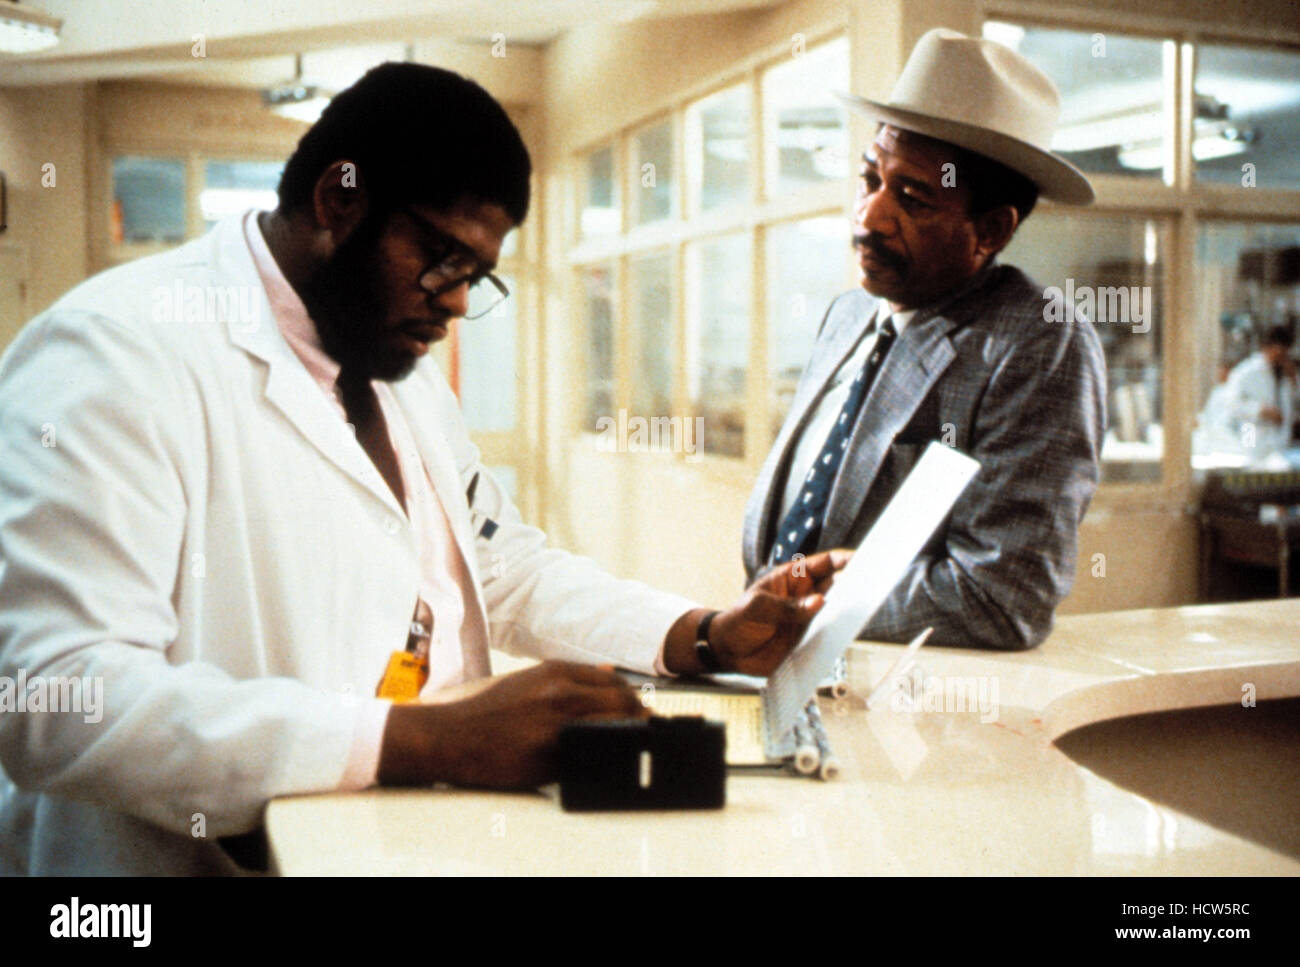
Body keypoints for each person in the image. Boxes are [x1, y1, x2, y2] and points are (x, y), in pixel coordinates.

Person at [0, 63, 843, 875]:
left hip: (403, 840)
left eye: (477, 275)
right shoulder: (119, 352)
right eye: (443, 256)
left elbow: (502, 567)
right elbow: (55, 696)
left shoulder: (397, 371)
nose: (454, 300)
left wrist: (696, 634)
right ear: (341, 198)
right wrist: (420, 737)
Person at [743, 29, 1107, 651]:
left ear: (989, 230)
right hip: (783, 664)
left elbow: (1001, 598)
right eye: (869, 180)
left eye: (912, 198)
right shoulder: (848, 314)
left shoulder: (1039, 343)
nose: (869, 216)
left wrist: (800, 607)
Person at [1205, 326, 1298, 451]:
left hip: (1280, 442)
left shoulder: (1287, 375)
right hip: (1251, 437)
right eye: (1278, 353)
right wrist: (1259, 410)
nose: (1280, 359)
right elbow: (1231, 405)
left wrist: (1294, 381)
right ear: (1267, 348)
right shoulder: (1246, 372)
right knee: (1252, 463)